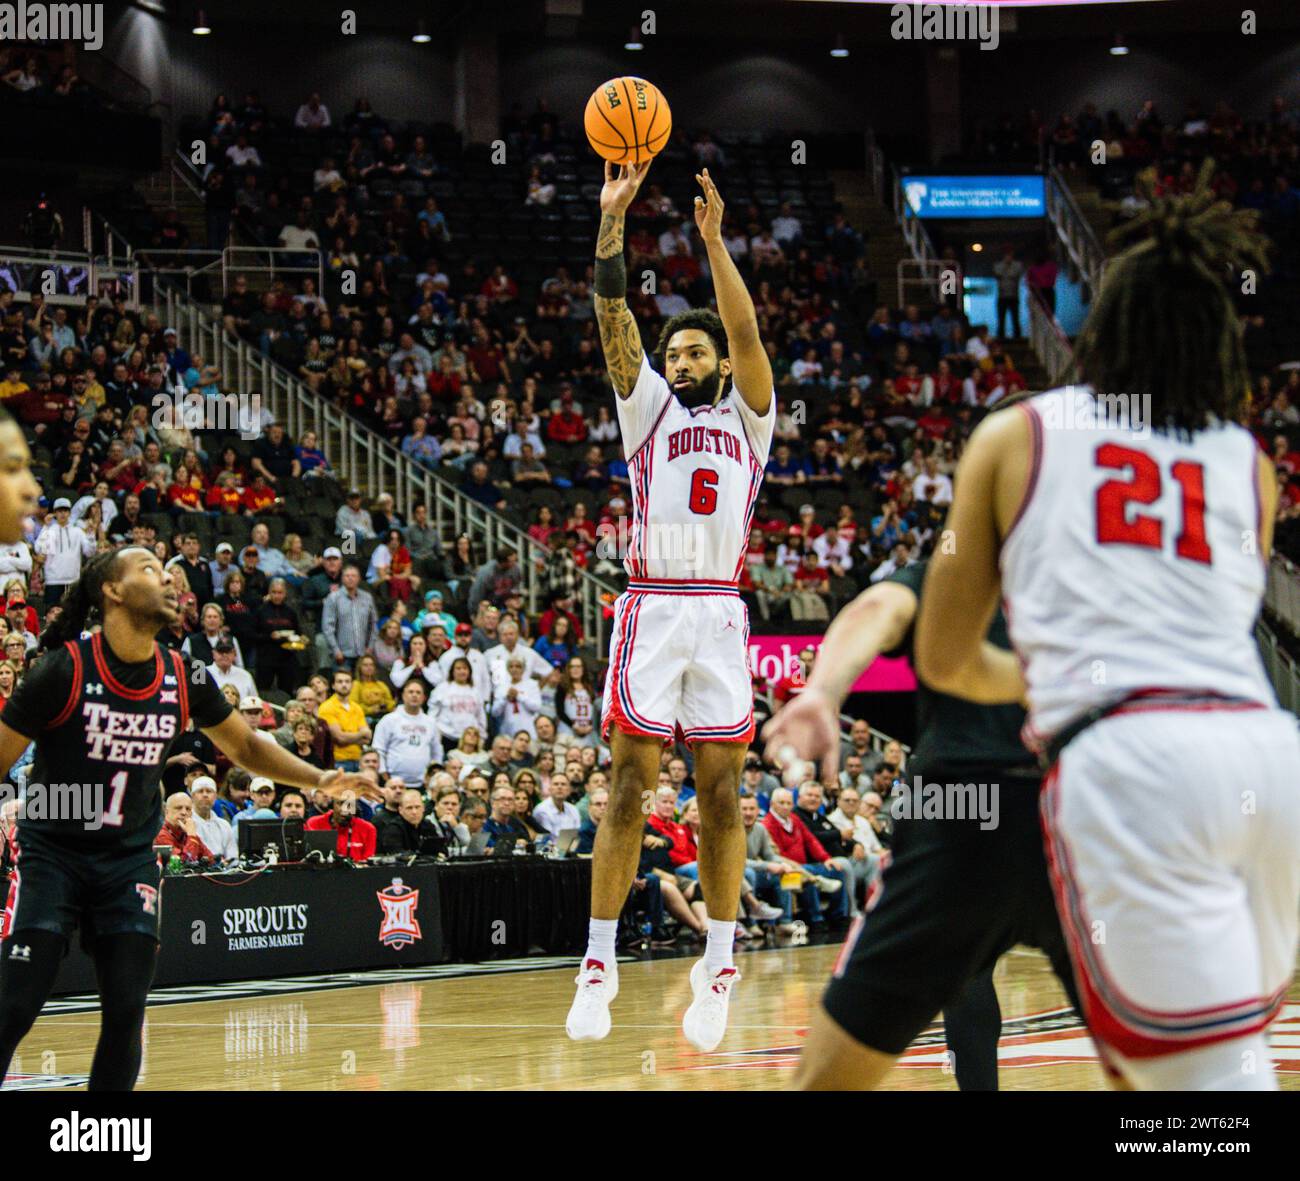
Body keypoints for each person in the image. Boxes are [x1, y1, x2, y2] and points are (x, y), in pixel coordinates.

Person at [851, 178, 1299, 1091]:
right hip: (1266, 761)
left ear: (1099, 327)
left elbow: (941, 656)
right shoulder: (1250, 466)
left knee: (1180, 1087)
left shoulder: (1024, 430)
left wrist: (1067, 689)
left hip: (1131, 763)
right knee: (1212, 1082)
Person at [0, 545, 369, 1091]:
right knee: (17, 1003)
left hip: (127, 860)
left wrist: (317, 778)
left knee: (126, 1015)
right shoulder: (63, 670)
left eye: (167, 569)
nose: (169, 578)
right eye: (148, 568)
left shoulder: (183, 674)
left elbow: (245, 745)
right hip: (54, 852)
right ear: (113, 591)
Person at [765, 559, 1079, 1092]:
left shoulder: (961, 560)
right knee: (1179, 1056)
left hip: (958, 799)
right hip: (1073, 797)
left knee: (831, 1069)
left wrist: (823, 689)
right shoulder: (1110, 566)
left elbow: (878, 606)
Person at [304, 789, 376, 861]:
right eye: (341, 803)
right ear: (333, 803)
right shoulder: (314, 823)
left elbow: (367, 863)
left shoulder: (368, 829)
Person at [378, 789, 448, 856]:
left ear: (423, 808)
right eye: (409, 808)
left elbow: (441, 850)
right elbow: (396, 854)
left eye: (417, 807)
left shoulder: (428, 825)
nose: (414, 812)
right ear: (400, 810)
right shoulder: (393, 828)